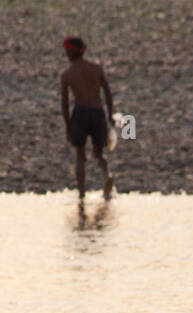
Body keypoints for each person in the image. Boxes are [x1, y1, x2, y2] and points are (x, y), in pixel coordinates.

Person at [60, 36, 115, 200]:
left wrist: (67, 124)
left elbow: (64, 103)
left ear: (71, 52)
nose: (65, 53)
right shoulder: (96, 68)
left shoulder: (67, 74)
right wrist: (110, 114)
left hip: (80, 112)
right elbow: (107, 92)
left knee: (80, 155)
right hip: (97, 112)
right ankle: (107, 176)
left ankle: (81, 192)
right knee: (98, 153)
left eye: (67, 51)